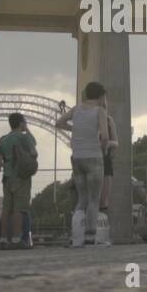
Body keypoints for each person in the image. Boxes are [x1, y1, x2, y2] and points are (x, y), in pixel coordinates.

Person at [56, 82, 110, 247]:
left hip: (77, 158)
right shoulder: (99, 111)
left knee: (82, 199)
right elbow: (106, 136)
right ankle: (89, 237)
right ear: (101, 96)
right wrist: (104, 149)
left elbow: (59, 123)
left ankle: (76, 237)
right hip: (93, 157)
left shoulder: (76, 109)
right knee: (94, 199)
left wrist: (75, 130)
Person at [0, 112, 38, 249]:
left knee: (6, 209)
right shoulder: (23, 137)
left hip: (7, 177)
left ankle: (3, 239)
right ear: (20, 123)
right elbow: (34, 151)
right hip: (21, 176)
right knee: (19, 208)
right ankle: (17, 238)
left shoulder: (4, 139)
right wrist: (26, 129)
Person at [99, 114, 119, 215]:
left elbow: (116, 143)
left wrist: (108, 144)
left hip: (105, 160)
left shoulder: (109, 119)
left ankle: (102, 224)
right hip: (92, 160)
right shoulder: (91, 118)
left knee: (104, 198)